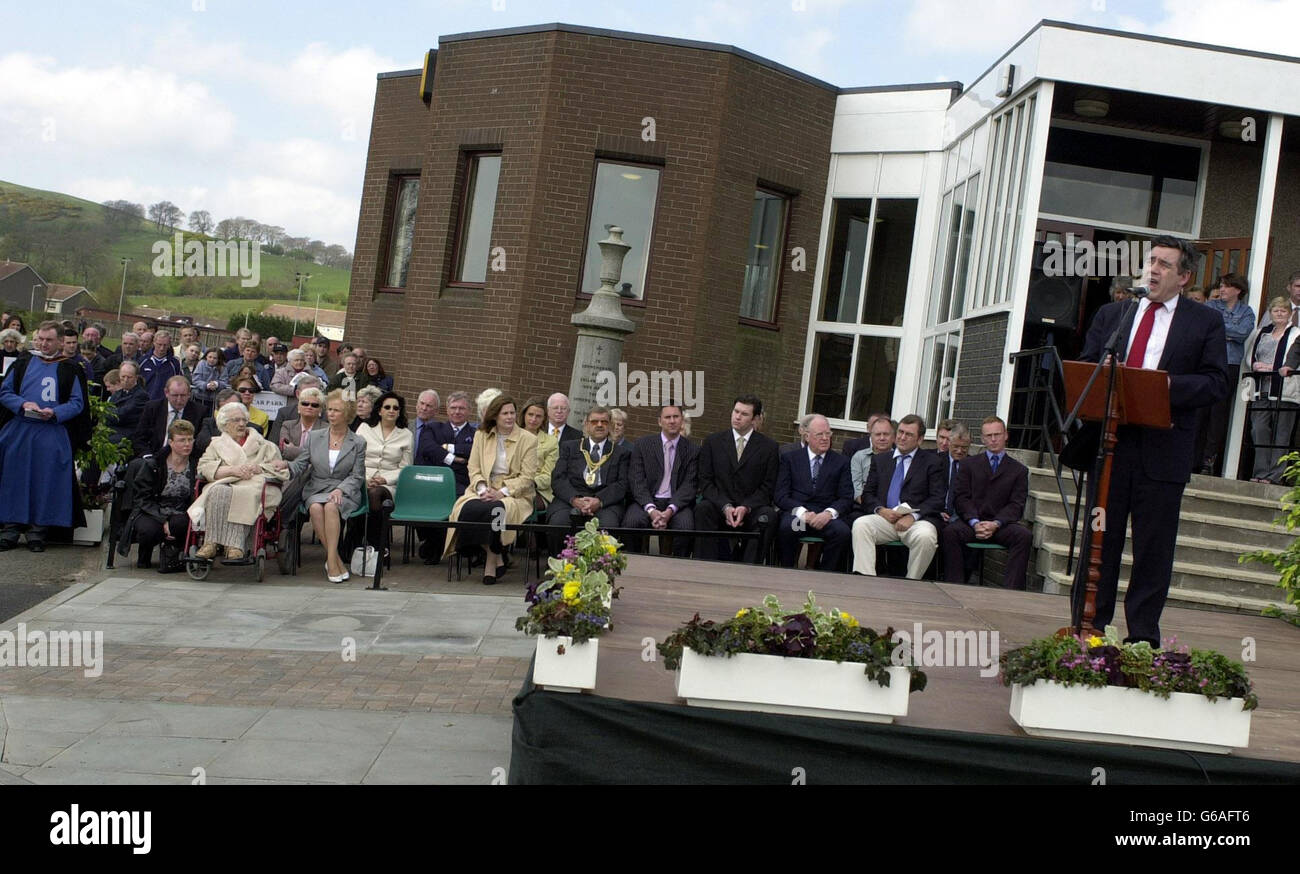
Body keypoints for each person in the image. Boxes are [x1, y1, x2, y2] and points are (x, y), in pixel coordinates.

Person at [1075, 235, 1227, 646]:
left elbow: (1216, 383)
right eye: (1151, 261)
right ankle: (1088, 628)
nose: (1154, 269)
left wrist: (1162, 387)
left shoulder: (1205, 322)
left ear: (1184, 276)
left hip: (1164, 454)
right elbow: (1087, 367)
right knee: (1098, 542)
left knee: (1152, 552)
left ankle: (1141, 639)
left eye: (1165, 264)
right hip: (1111, 450)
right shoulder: (1114, 315)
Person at [0, 321, 87, 551]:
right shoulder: (22, 363)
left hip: (51, 431)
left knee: (46, 480)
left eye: (49, 340)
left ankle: (38, 532)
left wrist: (55, 412)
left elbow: (78, 403)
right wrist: (22, 403)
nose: (44, 344)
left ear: (60, 342)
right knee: (14, 479)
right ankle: (10, 530)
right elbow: (5, 392)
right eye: (41, 339)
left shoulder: (71, 368)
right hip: (21, 427)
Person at [443, 394, 538, 583]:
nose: (510, 417)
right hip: (483, 487)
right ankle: (497, 556)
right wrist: (481, 489)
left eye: (512, 413)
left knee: (497, 510)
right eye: (505, 413)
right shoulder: (481, 434)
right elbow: (474, 467)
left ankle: (490, 563)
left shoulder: (528, 439)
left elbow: (527, 478)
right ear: (495, 415)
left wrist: (501, 492)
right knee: (468, 509)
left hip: (513, 492)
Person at [281, 390, 366, 583]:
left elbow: (357, 475)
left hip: (343, 490)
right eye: (330, 409)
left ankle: (331, 559)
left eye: (337, 410)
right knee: (315, 507)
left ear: (347, 414)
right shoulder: (315, 437)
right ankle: (334, 560)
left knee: (329, 506)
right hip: (316, 487)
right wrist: (284, 466)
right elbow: (300, 464)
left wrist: (340, 490)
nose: (331, 414)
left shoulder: (358, 442)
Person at [190, 400, 289, 561]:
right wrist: (231, 470)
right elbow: (203, 467)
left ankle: (235, 545)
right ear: (225, 424)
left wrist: (260, 468)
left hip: (254, 484)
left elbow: (280, 469)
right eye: (236, 420)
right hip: (225, 482)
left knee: (242, 492)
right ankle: (211, 543)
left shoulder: (265, 445)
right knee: (217, 491)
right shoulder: (216, 445)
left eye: (244, 419)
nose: (242, 424)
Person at [851, 414, 945, 579]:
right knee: (861, 525)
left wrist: (913, 516)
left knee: (926, 537)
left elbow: (937, 498)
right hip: (886, 519)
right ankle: (865, 580)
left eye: (909, 434)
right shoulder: (881, 460)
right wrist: (881, 510)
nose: (902, 437)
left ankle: (911, 582)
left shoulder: (932, 462)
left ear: (920, 439)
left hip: (916, 521)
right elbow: (868, 494)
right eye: (900, 432)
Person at [940, 417, 1031, 589]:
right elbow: (961, 498)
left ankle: (1011, 592)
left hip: (1001, 525)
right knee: (950, 532)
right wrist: (974, 522)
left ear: (1006, 436)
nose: (993, 439)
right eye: (989, 435)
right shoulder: (968, 464)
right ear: (982, 439)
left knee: (1023, 536)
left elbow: (1016, 504)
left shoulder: (1019, 470)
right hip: (972, 523)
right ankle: (954, 586)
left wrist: (996, 523)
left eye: (997, 434)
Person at [694, 394, 779, 563]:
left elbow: (768, 487)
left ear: (755, 418)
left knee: (768, 516)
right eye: (736, 411)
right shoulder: (713, 442)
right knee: (703, 509)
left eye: (744, 414)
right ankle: (706, 567)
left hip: (751, 509)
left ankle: (748, 569)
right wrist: (725, 506)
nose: (738, 417)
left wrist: (746, 507)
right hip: (719, 506)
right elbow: (705, 481)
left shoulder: (769, 447)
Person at [117, 418, 199, 571]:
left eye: (190, 439)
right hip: (152, 509)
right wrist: (162, 520)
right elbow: (142, 498)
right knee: (149, 530)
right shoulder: (153, 465)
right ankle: (145, 553)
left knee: (181, 525)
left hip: (181, 509)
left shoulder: (196, 465)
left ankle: (172, 554)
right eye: (182, 440)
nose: (187, 444)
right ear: (171, 442)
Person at [774, 414, 853, 570]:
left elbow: (846, 497)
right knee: (787, 528)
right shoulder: (790, 459)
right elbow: (781, 496)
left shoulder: (841, 462)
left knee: (841, 532)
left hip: (826, 519)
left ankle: (826, 576)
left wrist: (828, 514)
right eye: (819, 434)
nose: (825, 438)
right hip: (799, 518)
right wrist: (803, 513)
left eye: (828, 434)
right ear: (807, 437)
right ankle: (786, 572)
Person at [547, 405, 630, 552]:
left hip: (605, 503)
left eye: (604, 422)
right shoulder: (570, 447)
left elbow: (622, 484)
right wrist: (575, 499)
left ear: (610, 425)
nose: (599, 425)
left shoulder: (621, 453)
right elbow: (558, 478)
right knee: (558, 522)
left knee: (608, 526)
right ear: (586, 424)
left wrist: (598, 501)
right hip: (570, 500)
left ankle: (598, 572)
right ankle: (559, 569)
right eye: (594, 422)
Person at [623, 403, 698, 556]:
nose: (672, 421)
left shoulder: (693, 450)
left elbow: (689, 485)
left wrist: (670, 510)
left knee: (686, 527)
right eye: (667, 417)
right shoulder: (642, 445)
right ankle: (633, 565)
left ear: (682, 420)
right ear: (659, 421)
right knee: (631, 523)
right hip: (647, 500)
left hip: (677, 503)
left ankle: (677, 569)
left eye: (676, 417)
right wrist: (651, 510)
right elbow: (636, 480)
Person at [1203, 273, 1255, 474]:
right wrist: (1227, 332)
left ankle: (1209, 460)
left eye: (1226, 286)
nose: (1221, 290)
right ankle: (1193, 458)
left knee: (1219, 413)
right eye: (1221, 286)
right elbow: (1208, 328)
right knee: (1201, 410)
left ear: (1238, 290)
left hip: (1230, 366)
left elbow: (1243, 333)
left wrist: (1221, 331)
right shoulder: (1211, 306)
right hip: (1208, 363)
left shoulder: (1247, 311)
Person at [1249, 297, 1298, 482]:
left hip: (1285, 390)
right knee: (1259, 429)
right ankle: (1260, 472)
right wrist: (1255, 365)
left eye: (1283, 311)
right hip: (1262, 387)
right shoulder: (1262, 332)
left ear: (1290, 314)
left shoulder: (1296, 333)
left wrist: (1276, 367)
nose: (1279, 314)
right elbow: (1250, 355)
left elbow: (1295, 358)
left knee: (1282, 433)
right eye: (1275, 311)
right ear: (1270, 314)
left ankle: (1275, 475)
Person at [357, 391, 414, 549]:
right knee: (365, 492)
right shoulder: (364, 428)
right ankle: (378, 546)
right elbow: (355, 458)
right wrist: (365, 479)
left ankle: (374, 545)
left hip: (389, 485)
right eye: (387, 407)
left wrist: (385, 479)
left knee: (376, 494)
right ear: (379, 410)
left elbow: (405, 468)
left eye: (396, 408)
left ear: (399, 412)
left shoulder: (406, 435)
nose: (391, 410)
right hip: (363, 478)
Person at [132, 375, 207, 458]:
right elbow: (139, 438)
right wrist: (147, 455)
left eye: (183, 396)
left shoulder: (199, 412)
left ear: (189, 394)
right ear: (166, 393)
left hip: (185, 458)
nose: (179, 400)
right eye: (175, 395)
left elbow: (199, 443)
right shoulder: (152, 408)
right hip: (154, 455)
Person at [416, 391, 475, 496]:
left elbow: (474, 451)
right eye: (453, 408)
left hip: (461, 487)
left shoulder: (476, 434)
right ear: (447, 410)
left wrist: (448, 448)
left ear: (469, 411)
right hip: (432, 481)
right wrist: (452, 458)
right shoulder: (433, 428)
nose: (457, 411)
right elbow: (427, 447)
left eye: (461, 408)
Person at [520, 396, 559, 509]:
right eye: (530, 414)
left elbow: (548, 476)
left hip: (536, 489)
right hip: (509, 484)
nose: (533, 419)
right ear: (524, 415)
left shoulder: (551, 442)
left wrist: (527, 483)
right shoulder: (512, 436)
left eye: (538, 416)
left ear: (544, 419)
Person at [850, 416, 896, 508]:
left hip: (893, 507)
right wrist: (875, 507)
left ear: (893, 437)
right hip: (864, 505)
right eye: (878, 434)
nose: (882, 438)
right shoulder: (859, 456)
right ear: (871, 437)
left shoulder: (900, 458)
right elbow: (856, 486)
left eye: (886, 434)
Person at [107, 360, 149, 446]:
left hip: (128, 437)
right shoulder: (117, 394)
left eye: (129, 377)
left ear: (136, 378)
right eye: (123, 377)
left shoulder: (141, 396)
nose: (125, 380)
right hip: (113, 432)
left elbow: (121, 416)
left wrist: (108, 413)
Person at [279, 386, 325, 462]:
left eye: (315, 405)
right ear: (298, 407)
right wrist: (311, 453)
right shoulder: (287, 425)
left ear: (320, 410)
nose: (309, 407)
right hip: (289, 469)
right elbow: (285, 451)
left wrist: (294, 449)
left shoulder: (326, 429)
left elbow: (321, 456)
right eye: (305, 404)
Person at [192, 347, 227, 415]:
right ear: (206, 357)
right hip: (199, 397)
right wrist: (206, 385)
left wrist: (216, 384)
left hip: (214, 399)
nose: (211, 360)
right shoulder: (201, 364)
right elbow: (196, 379)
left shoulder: (223, 367)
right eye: (210, 357)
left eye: (215, 358)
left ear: (219, 359)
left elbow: (224, 381)